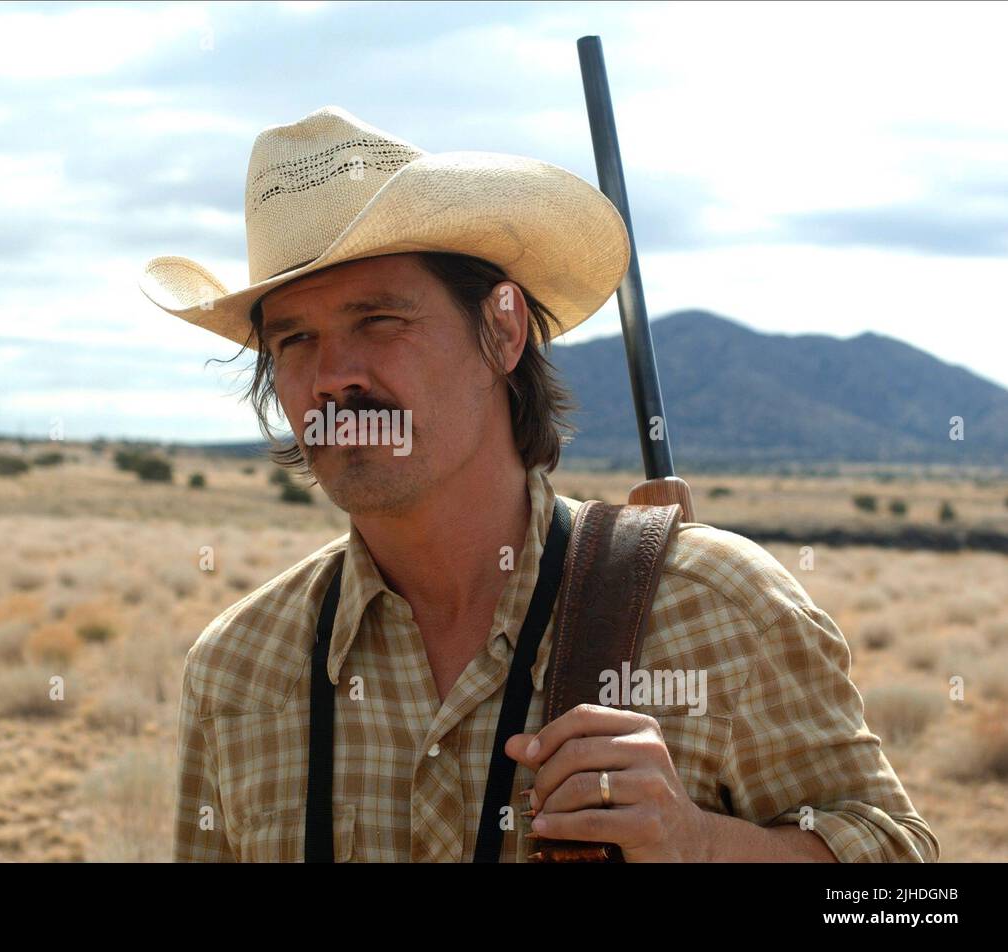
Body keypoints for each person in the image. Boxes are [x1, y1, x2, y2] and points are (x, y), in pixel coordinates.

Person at [141, 105, 938, 863]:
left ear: (503, 329)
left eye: (379, 320)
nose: (334, 379)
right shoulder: (239, 668)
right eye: (296, 340)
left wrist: (699, 844)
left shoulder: (721, 611)